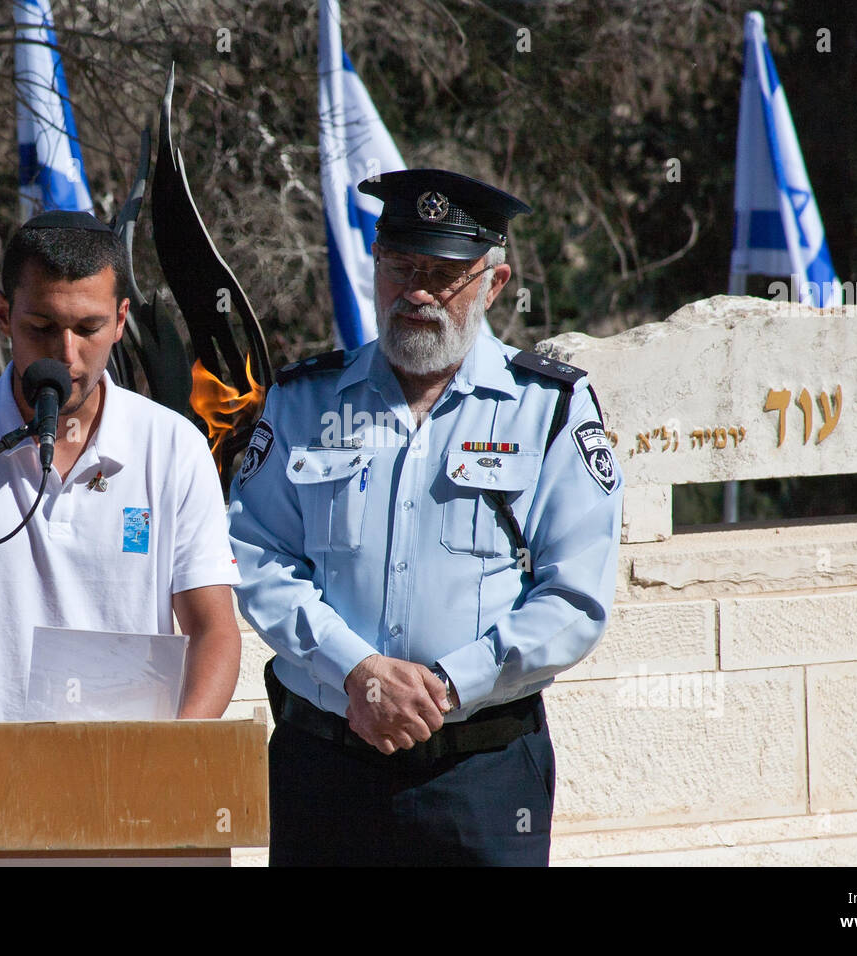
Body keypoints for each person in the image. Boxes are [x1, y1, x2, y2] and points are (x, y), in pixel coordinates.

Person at [228, 169, 624, 865]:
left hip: (481, 775)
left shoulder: (549, 408)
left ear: (494, 285)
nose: (415, 292)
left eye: (443, 275)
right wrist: (357, 672)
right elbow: (256, 557)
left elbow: (574, 596)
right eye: (399, 265)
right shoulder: (303, 401)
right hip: (325, 767)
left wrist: (443, 686)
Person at [0, 210, 241, 721]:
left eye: (89, 328)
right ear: (3, 315)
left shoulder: (175, 447)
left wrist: (172, 760)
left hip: (130, 784)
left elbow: (213, 632)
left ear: (122, 320)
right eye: (42, 327)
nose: (67, 354)